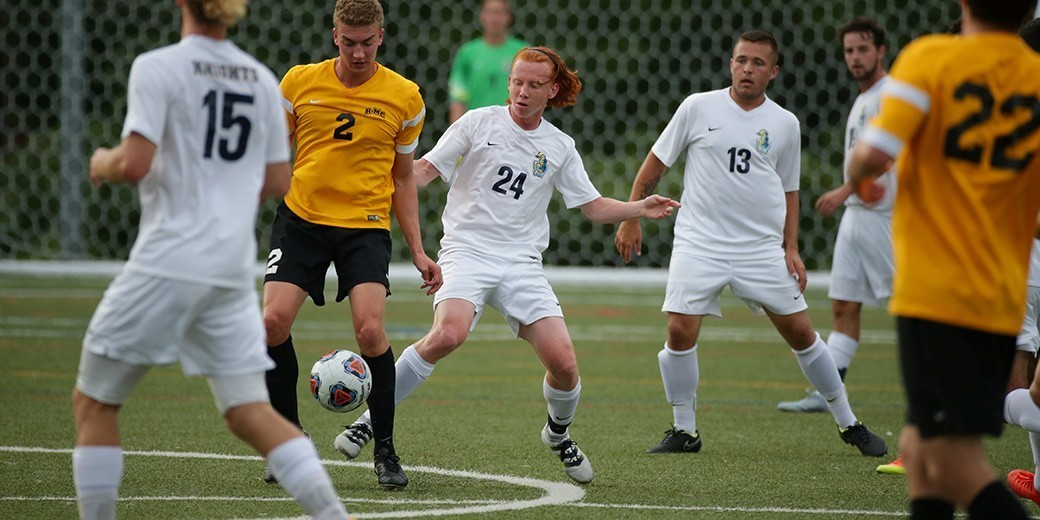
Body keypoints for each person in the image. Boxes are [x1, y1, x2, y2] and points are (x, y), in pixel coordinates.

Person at [332, 46, 680, 484]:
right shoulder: (478, 122)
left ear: (552, 91)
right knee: (448, 334)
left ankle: (558, 435)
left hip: (521, 264)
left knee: (565, 364)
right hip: (467, 251)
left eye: (534, 85)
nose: (522, 91)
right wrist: (376, 180)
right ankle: (370, 419)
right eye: (517, 81)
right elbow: (422, 171)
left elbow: (591, 207)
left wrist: (637, 208)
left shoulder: (559, 146)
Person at [72, 1, 348, 519]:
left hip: (168, 261)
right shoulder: (261, 79)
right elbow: (276, 182)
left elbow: (133, 164)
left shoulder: (158, 66)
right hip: (227, 269)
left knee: (95, 404)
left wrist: (100, 163)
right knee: (249, 412)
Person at [614, 29, 887, 457]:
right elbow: (655, 165)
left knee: (801, 332)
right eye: (741, 60)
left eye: (758, 63)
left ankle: (848, 422)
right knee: (678, 330)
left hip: (759, 249)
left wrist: (790, 248)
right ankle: (684, 430)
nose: (747, 69)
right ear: (730, 64)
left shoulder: (784, 123)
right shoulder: (697, 107)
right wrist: (632, 218)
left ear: (773, 72)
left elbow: (789, 191)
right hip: (699, 243)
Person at [846, 0, 1040, 516]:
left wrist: (857, 172)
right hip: (1001, 290)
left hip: (938, 289)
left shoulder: (931, 58)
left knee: (954, 461)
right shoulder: (1035, 74)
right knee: (921, 450)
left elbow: (872, 155)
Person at [261, 0, 442, 491]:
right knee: (272, 323)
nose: (358, 52)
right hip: (301, 221)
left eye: (367, 42)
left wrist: (420, 250)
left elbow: (403, 179)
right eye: (349, 41)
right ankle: (288, 444)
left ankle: (383, 449)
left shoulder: (405, 97)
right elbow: (275, 157)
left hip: (364, 226)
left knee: (368, 332)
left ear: (380, 36)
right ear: (334, 35)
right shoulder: (298, 82)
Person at [777, 16, 894, 416]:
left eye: (863, 49)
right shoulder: (865, 97)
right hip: (857, 216)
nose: (855, 57)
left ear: (881, 51)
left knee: (910, 310)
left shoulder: (890, 94)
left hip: (885, 216)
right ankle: (830, 391)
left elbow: (892, 155)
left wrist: (845, 189)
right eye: (849, 51)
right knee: (844, 305)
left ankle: (949, 391)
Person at [448, 0, 528, 123]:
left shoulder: (523, 52)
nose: (494, 18)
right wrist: (457, 132)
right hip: (476, 127)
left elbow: (534, 96)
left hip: (514, 129)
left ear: (508, 17)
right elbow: (458, 96)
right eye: (490, 12)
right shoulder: (467, 53)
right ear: (482, 16)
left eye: (499, 13)